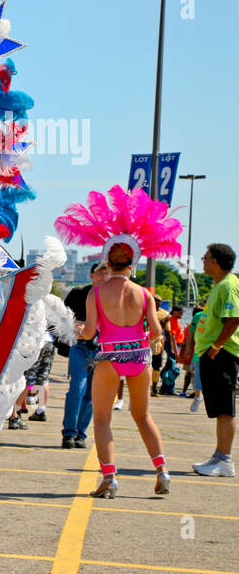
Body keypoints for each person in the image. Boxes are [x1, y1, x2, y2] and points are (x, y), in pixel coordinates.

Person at [56, 185, 182, 498]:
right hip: (139, 359)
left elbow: (89, 333)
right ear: (132, 262)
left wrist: (80, 328)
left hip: (109, 360)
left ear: (107, 261)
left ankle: (110, 479)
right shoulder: (144, 294)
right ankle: (162, 472)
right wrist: (145, 342)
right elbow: (156, 331)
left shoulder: (96, 293)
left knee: (101, 419)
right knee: (143, 417)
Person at [191, 243, 239, 477]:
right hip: (213, 354)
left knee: (225, 409)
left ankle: (225, 459)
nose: (203, 261)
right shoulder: (220, 285)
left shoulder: (229, 285)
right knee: (220, 409)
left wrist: (216, 346)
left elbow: (234, 319)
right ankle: (219, 456)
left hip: (223, 354)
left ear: (216, 261)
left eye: (206, 257)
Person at [61, 261, 109, 449]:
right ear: (92, 275)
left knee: (93, 393)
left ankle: (81, 432)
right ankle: (69, 433)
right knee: (77, 388)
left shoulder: (112, 296)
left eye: (107, 273)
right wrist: (76, 324)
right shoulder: (79, 292)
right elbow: (63, 316)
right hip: (80, 346)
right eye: (100, 273)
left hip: (101, 349)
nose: (103, 276)